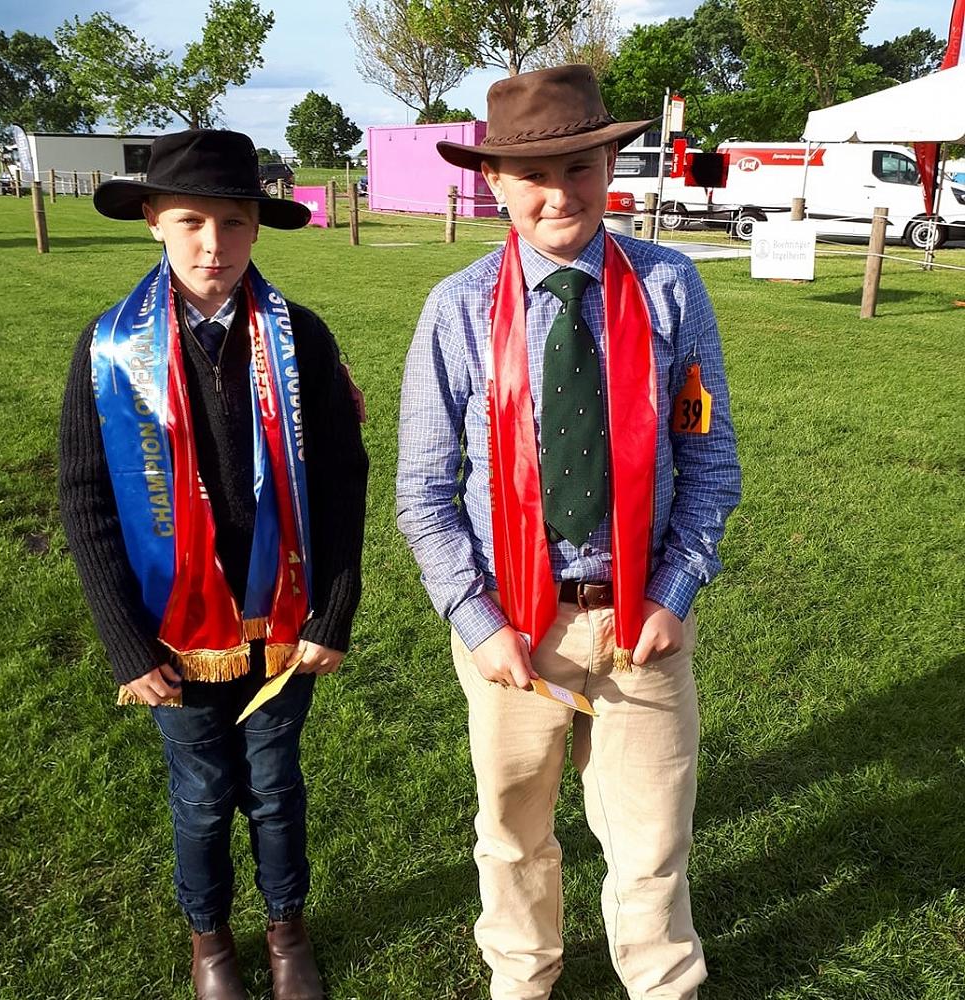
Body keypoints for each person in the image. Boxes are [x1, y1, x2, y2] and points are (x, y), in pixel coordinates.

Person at [396, 65, 741, 999]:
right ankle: (523, 975)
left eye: (580, 167)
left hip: (639, 623)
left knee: (653, 832)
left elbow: (709, 462)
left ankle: (662, 979)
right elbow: (425, 493)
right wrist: (479, 622)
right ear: (495, 183)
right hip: (515, 627)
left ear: (607, 167)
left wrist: (673, 593)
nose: (560, 193)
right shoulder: (457, 309)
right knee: (511, 828)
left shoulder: (667, 286)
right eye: (533, 175)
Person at [59, 129, 368, 1000]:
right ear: (153, 219)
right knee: (198, 795)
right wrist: (126, 644)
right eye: (191, 220)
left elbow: (344, 480)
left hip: (283, 628)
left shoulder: (300, 338)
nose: (213, 245)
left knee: (274, 785)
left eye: (233, 224)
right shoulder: (109, 350)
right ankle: (211, 943)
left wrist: (333, 609)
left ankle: (286, 931)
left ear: (256, 231)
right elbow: (86, 501)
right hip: (174, 641)